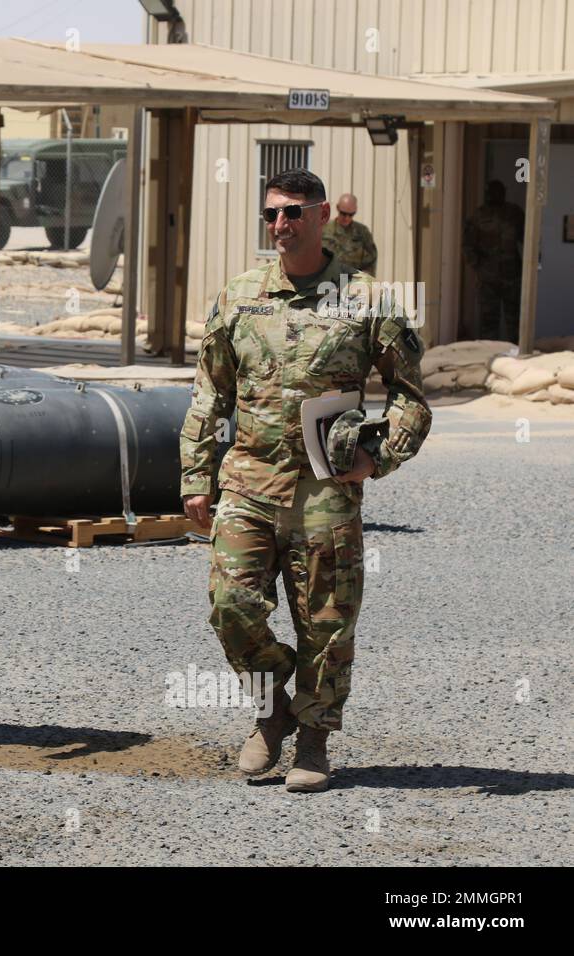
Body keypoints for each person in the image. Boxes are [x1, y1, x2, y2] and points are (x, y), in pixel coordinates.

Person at [179, 169, 431, 792]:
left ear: (322, 216)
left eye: (292, 213)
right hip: (249, 481)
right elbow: (211, 389)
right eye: (271, 215)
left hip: (325, 487)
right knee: (230, 604)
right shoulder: (240, 294)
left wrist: (379, 457)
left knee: (325, 617)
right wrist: (195, 474)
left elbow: (412, 398)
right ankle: (272, 708)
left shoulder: (368, 299)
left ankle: (314, 738)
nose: (280, 226)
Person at [463, 180, 524, 342]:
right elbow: (468, 245)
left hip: (512, 276)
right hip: (489, 277)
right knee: (489, 320)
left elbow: (528, 238)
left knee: (515, 320)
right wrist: (478, 267)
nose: (496, 194)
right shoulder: (478, 216)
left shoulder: (515, 213)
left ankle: (517, 353)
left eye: (499, 191)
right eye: (493, 191)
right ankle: (489, 355)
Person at [321, 193, 378, 275]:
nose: (346, 218)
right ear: (337, 208)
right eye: (343, 213)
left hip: (354, 282)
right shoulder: (323, 230)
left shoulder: (362, 233)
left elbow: (371, 261)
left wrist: (364, 280)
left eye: (351, 214)